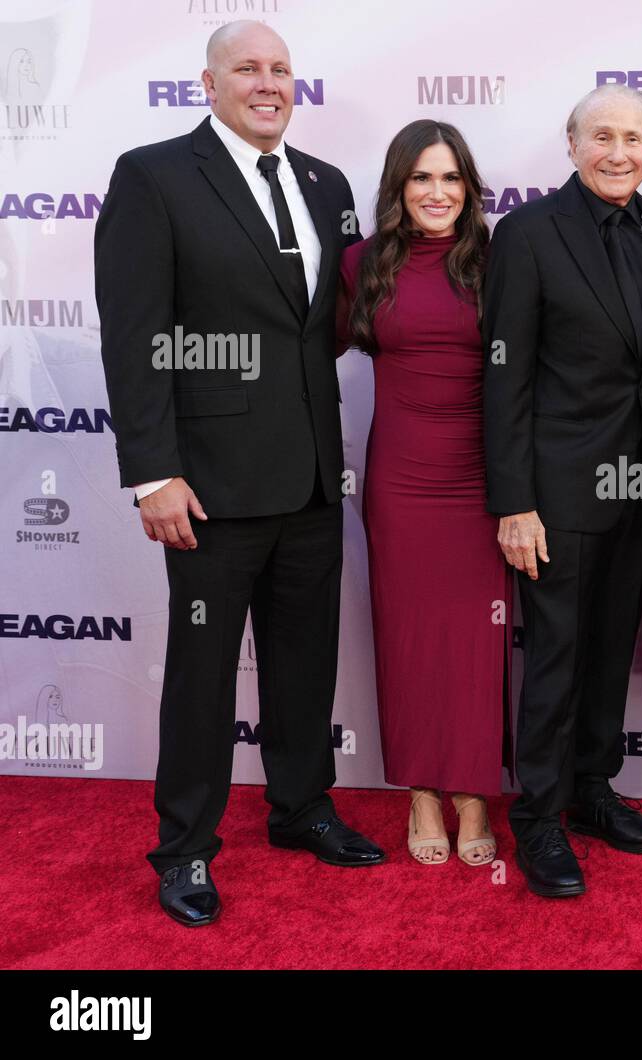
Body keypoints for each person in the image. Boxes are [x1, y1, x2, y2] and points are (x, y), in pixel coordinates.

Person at [94, 21, 384, 927]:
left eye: (281, 70)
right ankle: (184, 846)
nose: (268, 84)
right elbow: (134, 335)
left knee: (304, 660)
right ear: (208, 84)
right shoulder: (153, 176)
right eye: (248, 70)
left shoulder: (326, 183)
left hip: (308, 476)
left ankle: (301, 807)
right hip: (209, 483)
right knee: (204, 669)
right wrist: (152, 474)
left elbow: (327, 323)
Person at [482, 84, 642, 898]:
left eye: (634, 139)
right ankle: (537, 817)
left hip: (640, 485)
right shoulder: (528, 234)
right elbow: (504, 377)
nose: (619, 153)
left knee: (607, 653)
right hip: (558, 491)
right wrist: (514, 501)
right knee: (557, 659)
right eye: (603, 136)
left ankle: (593, 791)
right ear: (571, 144)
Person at [336, 121, 508, 868]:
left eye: (450, 179)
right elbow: (300, 351)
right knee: (406, 642)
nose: (437, 194)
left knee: (477, 643)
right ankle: (420, 793)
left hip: (482, 480)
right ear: (398, 188)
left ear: (468, 187)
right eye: (421, 179)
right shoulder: (360, 264)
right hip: (400, 481)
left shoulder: (500, 262)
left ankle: (472, 793)